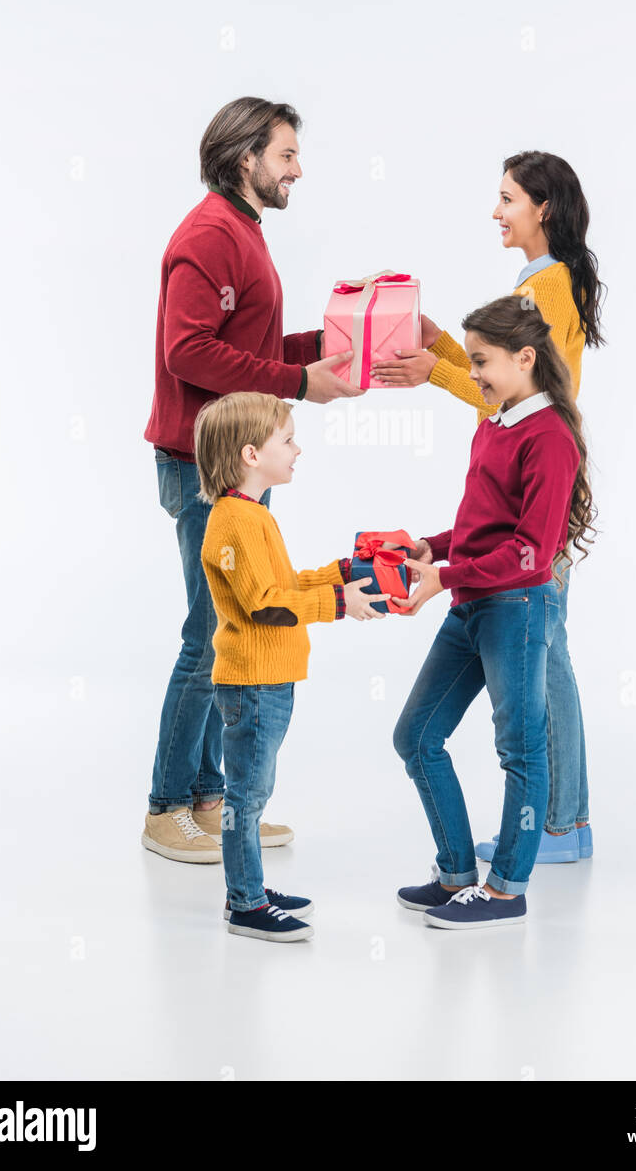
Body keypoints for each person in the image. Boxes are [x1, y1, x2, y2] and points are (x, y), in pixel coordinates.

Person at [142, 97, 361, 864]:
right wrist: (299, 383)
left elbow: (251, 345)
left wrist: (332, 343)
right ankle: (167, 807)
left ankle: (209, 801)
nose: (297, 169)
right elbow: (189, 353)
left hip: (235, 467)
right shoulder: (207, 235)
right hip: (202, 468)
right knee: (209, 639)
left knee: (229, 631)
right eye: (286, 155)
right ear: (246, 160)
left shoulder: (241, 231)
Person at [372, 150, 604, 863]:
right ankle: (563, 824)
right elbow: (500, 368)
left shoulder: (550, 286)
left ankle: (559, 826)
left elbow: (522, 390)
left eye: (506, 199)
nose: (495, 211)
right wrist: (440, 341)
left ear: (545, 209)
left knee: (544, 664)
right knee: (546, 656)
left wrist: (434, 371)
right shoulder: (539, 281)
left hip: (532, 501)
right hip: (515, 496)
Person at [391, 295, 597, 929]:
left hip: (516, 607)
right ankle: (456, 874)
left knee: (520, 751)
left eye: (481, 360)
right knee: (417, 737)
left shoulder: (552, 437)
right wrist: (435, 548)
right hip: (472, 601)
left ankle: (507, 890)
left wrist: (444, 576)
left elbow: (531, 554)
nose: (473, 373)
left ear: (524, 357)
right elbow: (484, 528)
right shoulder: (496, 421)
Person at [194, 392, 387, 941]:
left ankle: (248, 885)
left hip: (269, 679)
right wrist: (336, 604)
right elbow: (264, 603)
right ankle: (246, 904)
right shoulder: (234, 521)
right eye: (288, 440)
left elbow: (280, 584)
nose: (298, 449)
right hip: (253, 682)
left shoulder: (251, 516)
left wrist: (338, 573)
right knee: (246, 797)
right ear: (251, 454)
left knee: (254, 792)